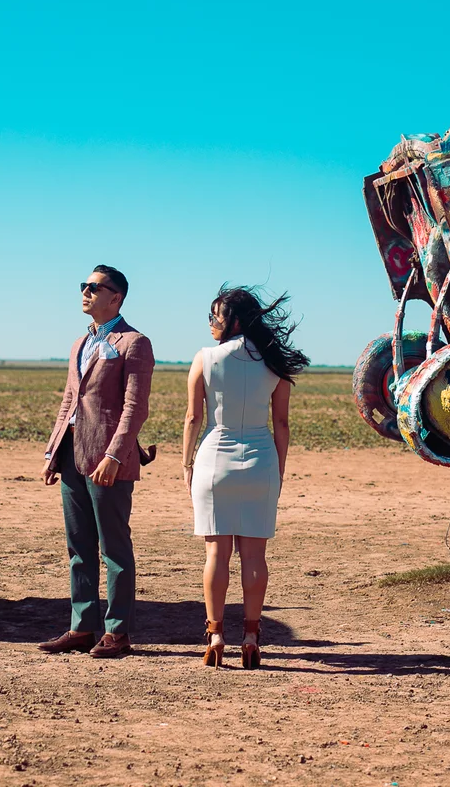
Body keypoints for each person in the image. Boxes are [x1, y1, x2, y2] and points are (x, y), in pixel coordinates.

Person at [183, 286, 309, 668]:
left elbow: (193, 418)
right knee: (254, 555)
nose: (210, 322)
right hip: (261, 459)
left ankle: (216, 633)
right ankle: (251, 635)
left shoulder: (204, 359)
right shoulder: (274, 362)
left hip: (214, 459)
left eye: (215, 315)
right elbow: (282, 423)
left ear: (234, 320)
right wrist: (279, 468)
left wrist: (186, 462)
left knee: (216, 553)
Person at [36, 265, 155, 659]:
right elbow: (68, 403)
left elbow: (135, 409)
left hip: (108, 460)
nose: (85, 292)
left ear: (116, 297)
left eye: (94, 287)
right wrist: (53, 453)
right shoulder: (78, 344)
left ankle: (117, 632)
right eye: (83, 286)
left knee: (114, 547)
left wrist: (114, 455)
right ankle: (82, 627)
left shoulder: (134, 343)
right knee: (78, 547)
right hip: (73, 455)